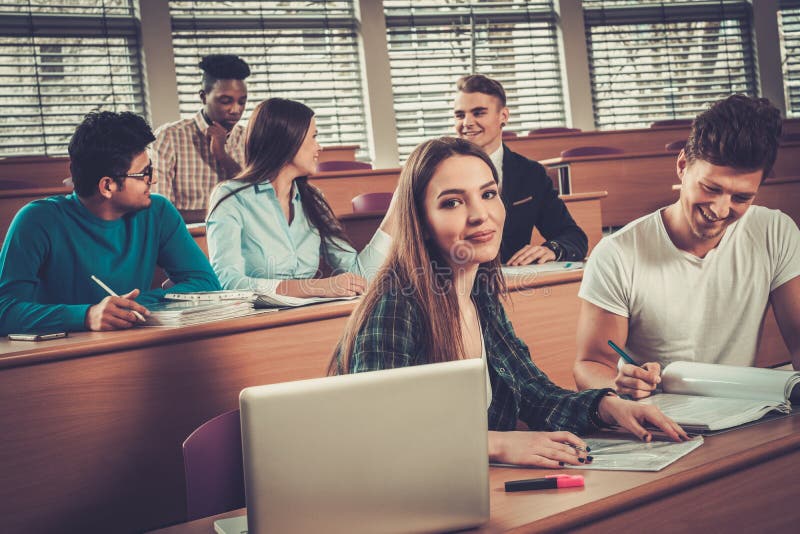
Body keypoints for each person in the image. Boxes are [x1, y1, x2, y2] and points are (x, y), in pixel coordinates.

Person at [328, 137, 687, 468]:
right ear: (420, 221)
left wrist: (608, 407)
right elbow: (381, 431)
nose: (480, 214)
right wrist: (497, 444)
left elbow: (534, 394)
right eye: (452, 202)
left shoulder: (480, 295)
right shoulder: (395, 305)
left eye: (488, 194)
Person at [574, 94, 800, 399]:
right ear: (682, 165)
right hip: (659, 414)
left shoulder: (775, 231)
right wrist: (617, 384)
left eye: (741, 198)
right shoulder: (617, 254)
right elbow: (589, 365)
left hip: (747, 411)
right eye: (711, 188)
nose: (720, 209)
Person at [0, 111, 221, 335]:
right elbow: (4, 311)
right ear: (107, 186)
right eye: (145, 173)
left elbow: (206, 283)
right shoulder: (37, 220)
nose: (153, 179)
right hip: (62, 350)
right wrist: (86, 315)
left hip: (135, 342)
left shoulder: (158, 212)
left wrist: (130, 306)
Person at [206, 98, 395, 298]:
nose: (319, 147)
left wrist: (395, 212)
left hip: (310, 314)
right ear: (288, 140)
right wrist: (317, 287)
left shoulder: (314, 200)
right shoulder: (231, 198)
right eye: (313, 137)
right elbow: (227, 281)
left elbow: (360, 278)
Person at [453, 74, 587, 265]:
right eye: (460, 115)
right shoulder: (440, 173)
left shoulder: (531, 174)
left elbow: (573, 236)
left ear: (503, 116)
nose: (467, 122)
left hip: (515, 278)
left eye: (478, 113)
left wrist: (552, 249)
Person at [151, 54, 250, 210]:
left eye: (242, 102)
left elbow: (256, 200)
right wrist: (224, 216)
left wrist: (222, 155)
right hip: (189, 228)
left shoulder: (250, 138)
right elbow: (161, 211)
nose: (236, 110)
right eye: (226, 101)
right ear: (203, 97)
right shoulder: (169, 137)